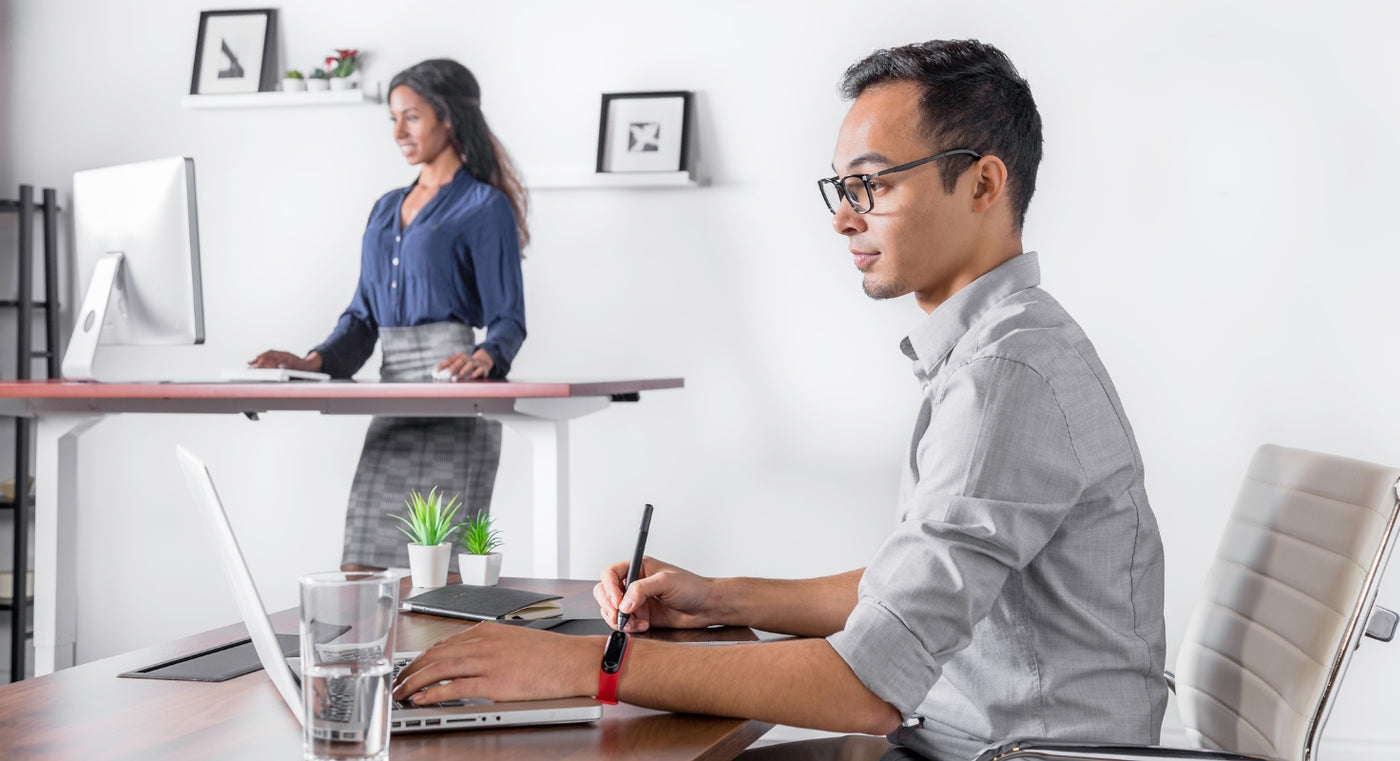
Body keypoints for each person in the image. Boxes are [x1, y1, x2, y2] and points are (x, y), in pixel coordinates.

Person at [392, 39, 1165, 761]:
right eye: (841, 185)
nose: (842, 216)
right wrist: (712, 597)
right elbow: (909, 589)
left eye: (872, 182)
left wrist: (589, 663)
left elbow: (865, 688)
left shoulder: (1007, 375)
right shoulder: (1003, 347)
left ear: (984, 183)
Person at [251, 59, 527, 572]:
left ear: (448, 118)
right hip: (394, 402)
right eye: (393, 119)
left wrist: (486, 356)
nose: (399, 131)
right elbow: (361, 319)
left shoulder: (483, 206)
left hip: (454, 405)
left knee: (437, 581)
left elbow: (508, 318)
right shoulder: (384, 210)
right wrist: (311, 361)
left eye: (412, 117)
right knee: (361, 567)